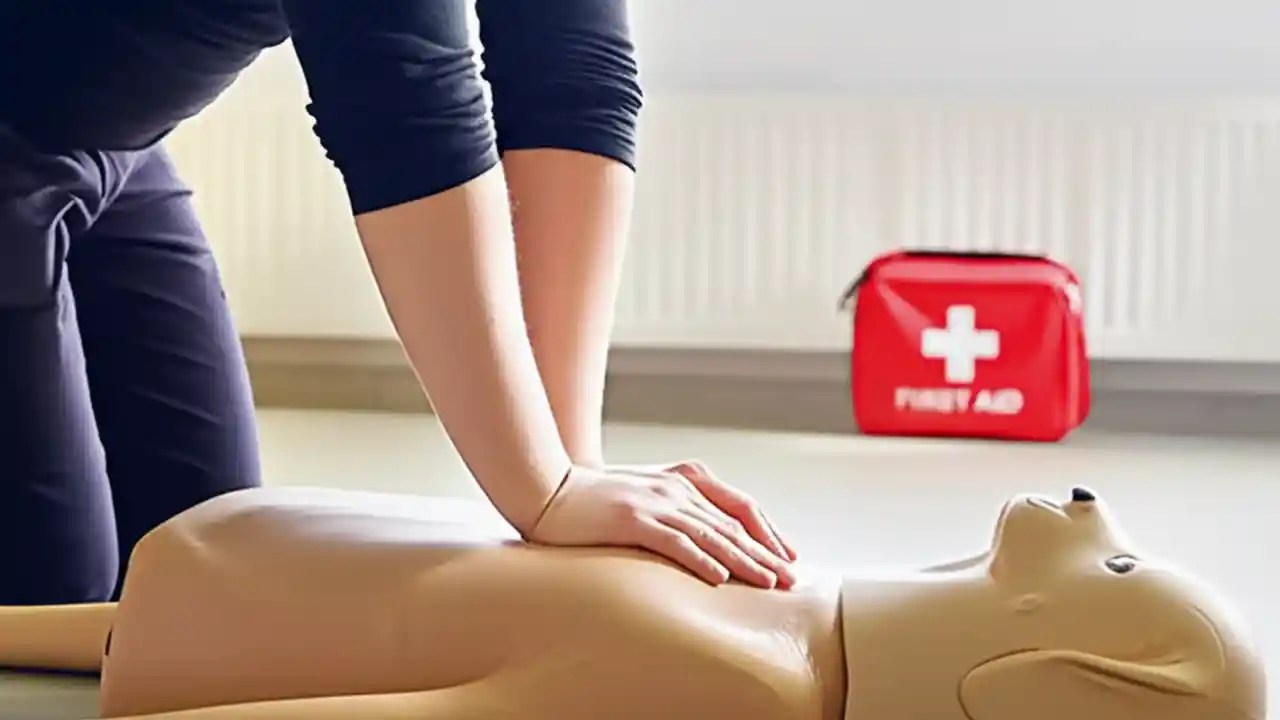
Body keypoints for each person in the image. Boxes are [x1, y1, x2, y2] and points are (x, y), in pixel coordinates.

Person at [0, 1, 796, 606]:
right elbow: (404, 102)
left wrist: (574, 472)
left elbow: (570, 72)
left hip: (104, 134)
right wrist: (541, 487)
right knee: (45, 603)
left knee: (201, 576)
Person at [0, 485, 1264, 719]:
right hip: (250, 556)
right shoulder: (784, 596)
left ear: (1036, 683)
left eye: (1110, 571)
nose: (1091, 515)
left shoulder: (743, 687)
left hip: (224, 608)